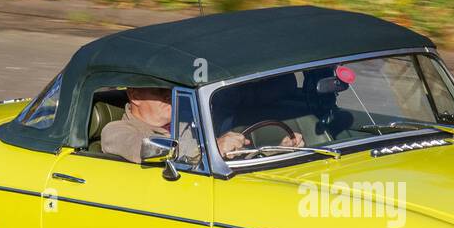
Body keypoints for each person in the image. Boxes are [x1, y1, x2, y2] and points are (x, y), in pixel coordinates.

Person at [102, 86, 304, 163]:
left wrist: (278, 150)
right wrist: (211, 146)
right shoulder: (117, 131)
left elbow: (227, 159)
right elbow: (144, 150)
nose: (169, 96)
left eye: (171, 90)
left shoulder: (187, 123)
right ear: (135, 95)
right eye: (159, 92)